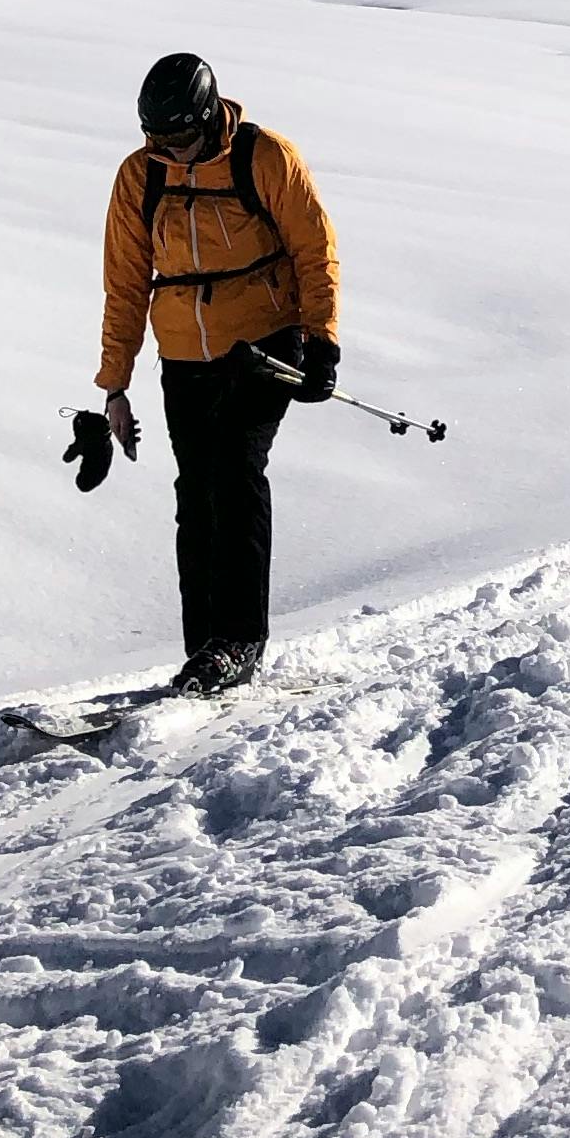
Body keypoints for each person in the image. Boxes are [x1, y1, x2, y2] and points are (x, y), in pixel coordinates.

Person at [91, 50, 340, 694]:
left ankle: (238, 642)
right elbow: (124, 282)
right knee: (195, 493)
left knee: (234, 473)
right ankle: (203, 647)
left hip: (265, 341)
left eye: (178, 136)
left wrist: (322, 345)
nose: (166, 149)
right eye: (154, 138)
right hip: (184, 355)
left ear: (208, 115)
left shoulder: (265, 158)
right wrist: (114, 386)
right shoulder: (140, 177)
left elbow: (315, 251)